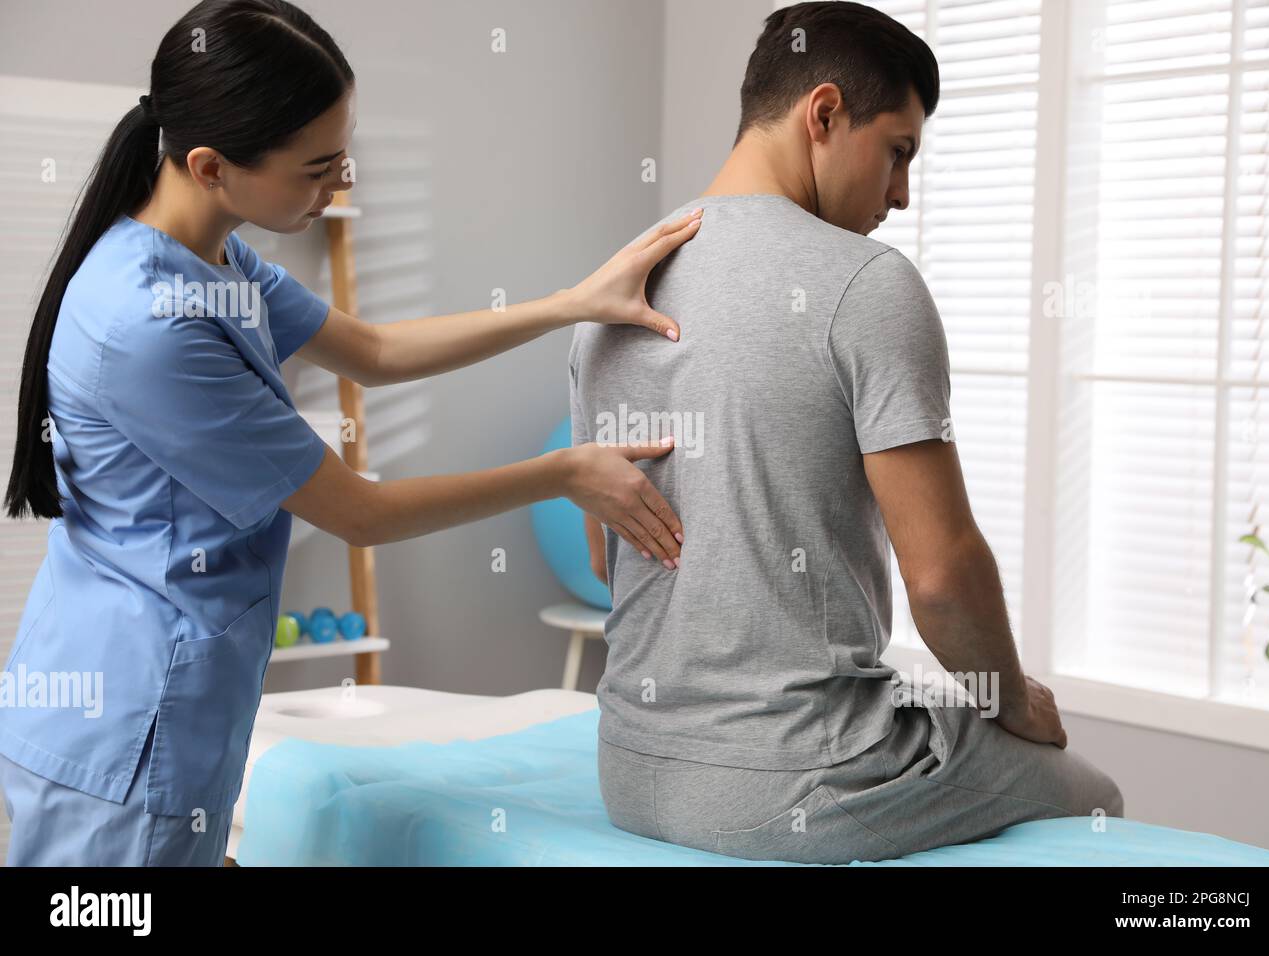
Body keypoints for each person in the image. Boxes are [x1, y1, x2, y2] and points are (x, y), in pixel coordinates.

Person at [0, 0, 697, 866]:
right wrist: (563, 472)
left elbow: (372, 351)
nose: (344, 181)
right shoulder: (151, 325)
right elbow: (360, 513)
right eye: (319, 167)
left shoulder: (212, 253)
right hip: (128, 728)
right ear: (214, 165)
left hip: (164, 704)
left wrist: (574, 302)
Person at [571, 0, 1123, 864]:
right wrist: (1010, 698)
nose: (902, 195)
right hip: (793, 779)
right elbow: (940, 577)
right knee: (1097, 799)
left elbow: (608, 552)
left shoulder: (609, 288)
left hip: (630, 767)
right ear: (823, 114)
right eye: (898, 152)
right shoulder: (868, 283)